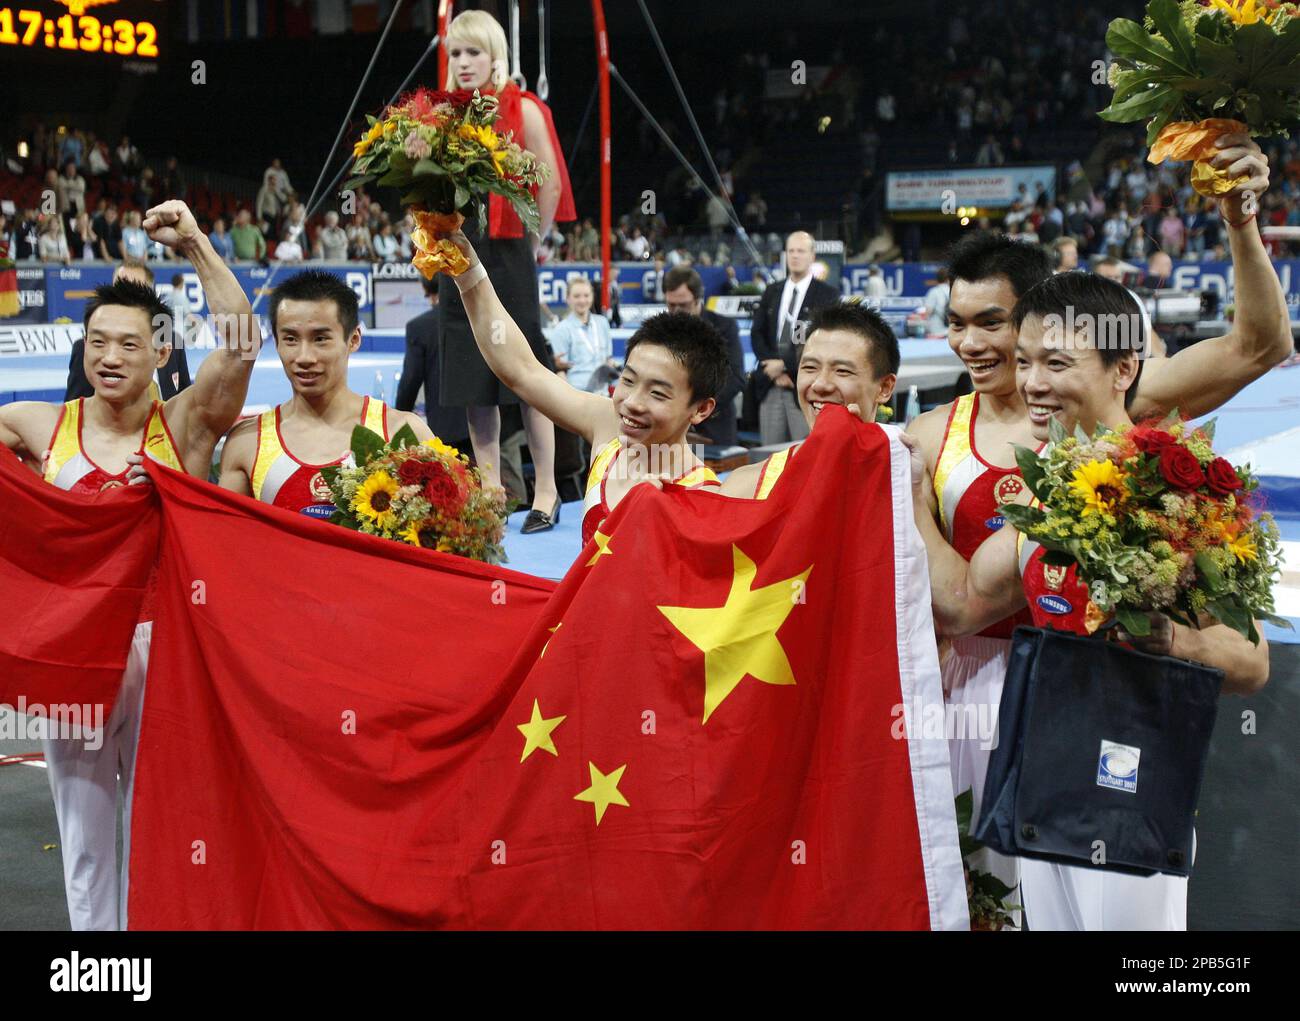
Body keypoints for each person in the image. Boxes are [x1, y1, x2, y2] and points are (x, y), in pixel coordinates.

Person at [905, 132, 1290, 919]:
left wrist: (1238, 217)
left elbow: (1252, 662)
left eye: (1053, 364)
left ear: (1122, 369)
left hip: (1130, 770)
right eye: (1030, 362)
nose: (1032, 380)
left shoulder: (1168, 471)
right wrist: (902, 490)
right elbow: (965, 594)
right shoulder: (1044, 488)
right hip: (1037, 755)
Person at [0, 200, 258, 930]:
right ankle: (103, 970)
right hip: (71, 656)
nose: (109, 357)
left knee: (163, 828)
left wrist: (200, 244)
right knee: (84, 841)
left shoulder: (186, 424)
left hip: (163, 646)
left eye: (127, 344)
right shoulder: (39, 425)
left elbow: (241, 342)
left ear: (158, 351)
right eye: (97, 342)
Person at [446, 228, 728, 547]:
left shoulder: (701, 496)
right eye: (628, 380)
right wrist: (466, 269)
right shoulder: (608, 423)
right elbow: (521, 370)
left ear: (701, 409)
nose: (632, 403)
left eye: (657, 393)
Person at [436, 9, 578, 534]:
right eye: (456, 53)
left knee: (528, 375)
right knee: (476, 379)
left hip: (510, 254)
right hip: (458, 253)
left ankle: (545, 492)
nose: (464, 62)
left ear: (497, 56)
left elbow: (552, 185)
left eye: (474, 52)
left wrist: (528, 240)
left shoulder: (527, 110)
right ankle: (492, 491)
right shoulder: (442, 117)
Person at [219, 271, 434, 513]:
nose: (304, 357)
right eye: (290, 339)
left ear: (353, 340)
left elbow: (449, 534)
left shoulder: (402, 434)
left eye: (320, 339)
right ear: (276, 342)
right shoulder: (248, 444)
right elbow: (228, 542)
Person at [720, 302, 898, 499]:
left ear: (884, 388)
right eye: (810, 368)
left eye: (842, 371)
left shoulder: (908, 481)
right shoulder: (748, 487)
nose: (820, 385)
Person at [749, 231, 840, 445]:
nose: (795, 256)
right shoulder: (772, 291)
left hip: (805, 387)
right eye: (791, 251)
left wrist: (784, 365)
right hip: (771, 385)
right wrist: (772, 367)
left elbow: (823, 341)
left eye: (801, 251)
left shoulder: (827, 295)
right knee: (771, 455)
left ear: (812, 256)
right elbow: (757, 333)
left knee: (805, 455)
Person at [66, 260, 192, 403]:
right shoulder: (86, 349)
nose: (124, 301)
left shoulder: (173, 342)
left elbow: (185, 403)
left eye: (134, 293)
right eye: (118, 292)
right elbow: (74, 416)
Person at [663, 265, 745, 448]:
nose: (675, 311)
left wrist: (696, 408)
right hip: (670, 429)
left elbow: (736, 377)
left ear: (699, 298)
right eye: (670, 305)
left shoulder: (725, 327)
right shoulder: (661, 330)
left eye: (682, 305)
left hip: (715, 428)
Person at [395, 276, 471, 450]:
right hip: (490, 428)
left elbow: (411, 381)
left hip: (446, 428)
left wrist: (398, 419)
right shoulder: (477, 317)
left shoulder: (420, 326)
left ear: (428, 292)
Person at [550, 277, 616, 394]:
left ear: (592, 297)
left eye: (586, 295)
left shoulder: (602, 323)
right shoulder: (562, 330)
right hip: (578, 396)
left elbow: (608, 360)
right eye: (577, 296)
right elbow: (560, 372)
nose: (582, 300)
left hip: (603, 396)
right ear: (568, 299)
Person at [923, 268, 950, 337]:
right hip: (950, 332)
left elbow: (928, 312)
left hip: (936, 332)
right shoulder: (954, 292)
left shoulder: (933, 292)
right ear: (948, 279)